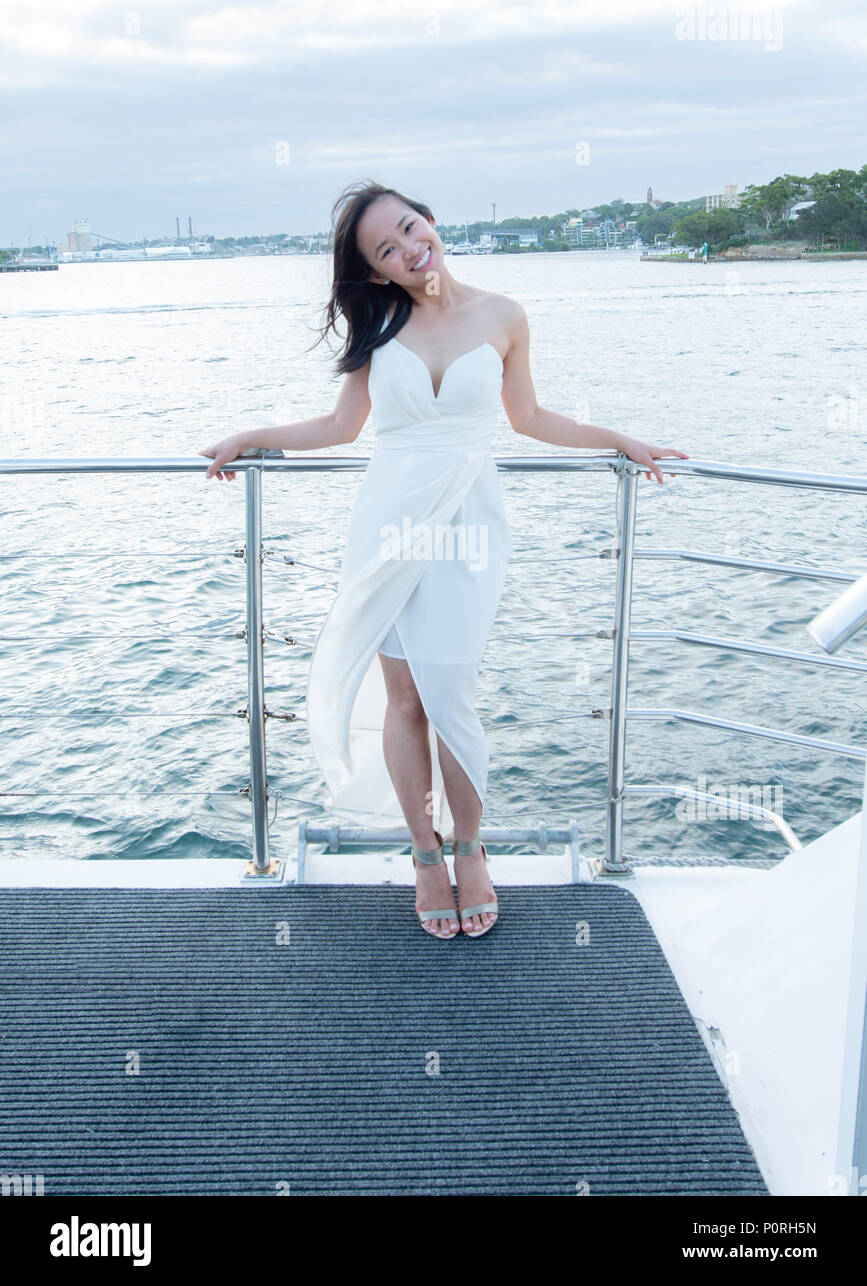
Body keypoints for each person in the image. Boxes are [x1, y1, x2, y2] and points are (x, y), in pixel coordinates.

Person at [199, 180, 688, 941]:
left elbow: (528, 420)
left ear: (429, 219)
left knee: (450, 691)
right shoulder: (378, 324)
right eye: (384, 250)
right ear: (374, 271)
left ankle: (471, 846)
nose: (406, 248)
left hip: (469, 521)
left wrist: (620, 439)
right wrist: (250, 437)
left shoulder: (503, 315)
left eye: (407, 227)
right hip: (387, 521)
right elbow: (339, 425)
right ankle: (425, 853)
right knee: (404, 700)